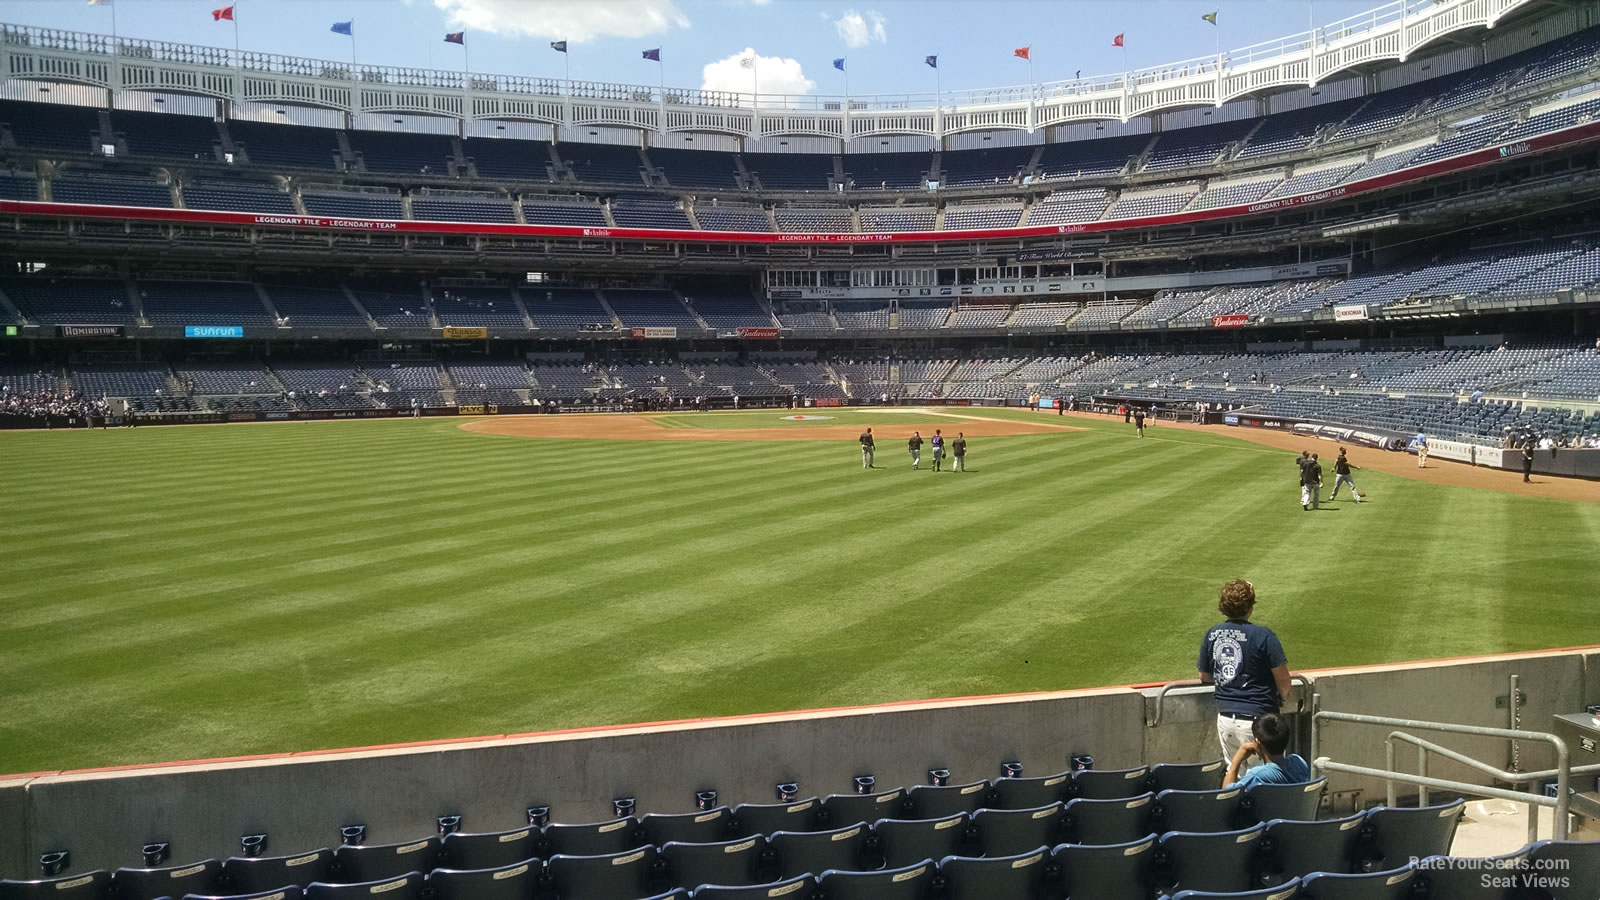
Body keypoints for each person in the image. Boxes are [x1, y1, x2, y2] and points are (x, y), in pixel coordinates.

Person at [1198, 579, 1292, 767]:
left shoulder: (1212, 634)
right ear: (1250, 607)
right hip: (1259, 722)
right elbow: (1283, 681)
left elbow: (1205, 677)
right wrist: (1282, 697)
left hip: (1225, 718)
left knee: (1235, 778)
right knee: (1265, 778)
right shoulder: (1263, 635)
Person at [1222, 713, 1310, 788]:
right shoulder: (1298, 763)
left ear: (1257, 742)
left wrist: (1236, 762)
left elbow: (1227, 796)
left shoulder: (1257, 776)